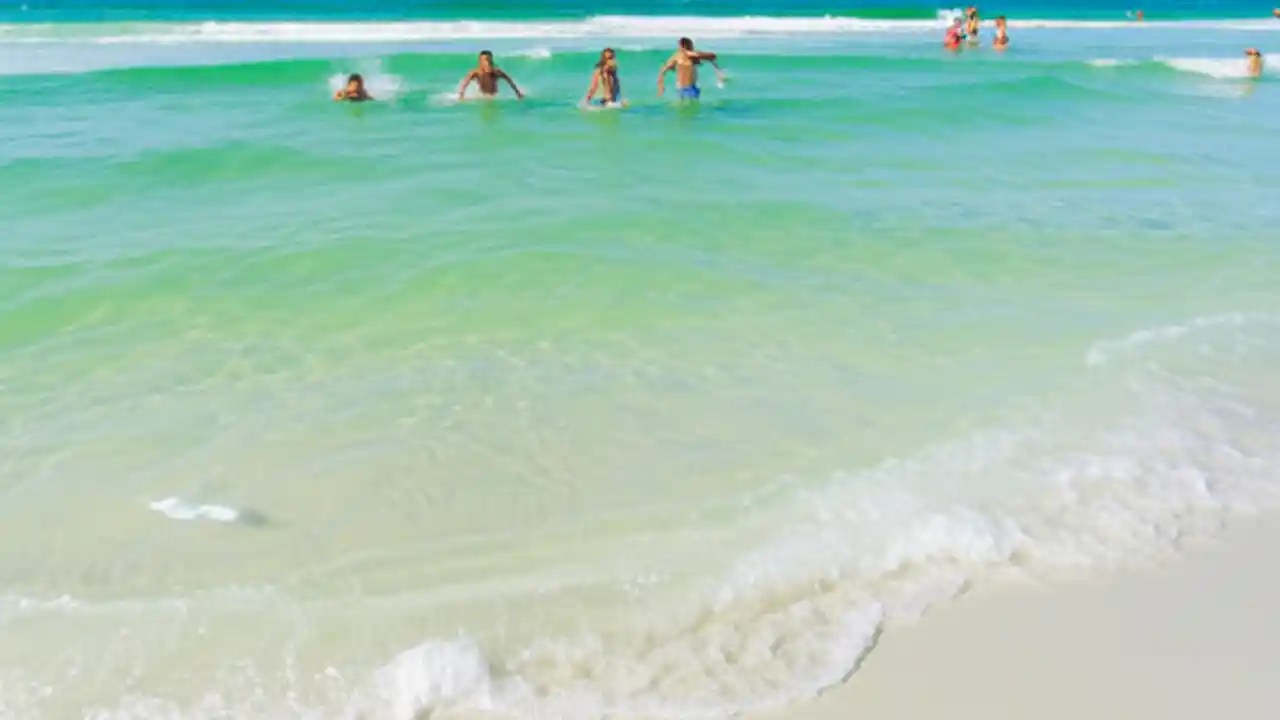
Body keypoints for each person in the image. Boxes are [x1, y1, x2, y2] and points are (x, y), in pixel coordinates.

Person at [658, 37, 724, 101]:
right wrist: (661, 86)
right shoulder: (678, 56)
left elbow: (713, 57)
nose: (679, 48)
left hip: (691, 88)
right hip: (682, 88)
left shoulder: (692, 56)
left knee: (688, 106)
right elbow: (663, 70)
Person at [457, 51, 524, 101]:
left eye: (490, 59)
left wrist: (517, 93)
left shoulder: (496, 72)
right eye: (486, 60)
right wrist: (461, 94)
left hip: (494, 97)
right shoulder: (475, 72)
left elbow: (509, 80)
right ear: (480, 61)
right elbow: (465, 82)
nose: (488, 62)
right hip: (482, 96)